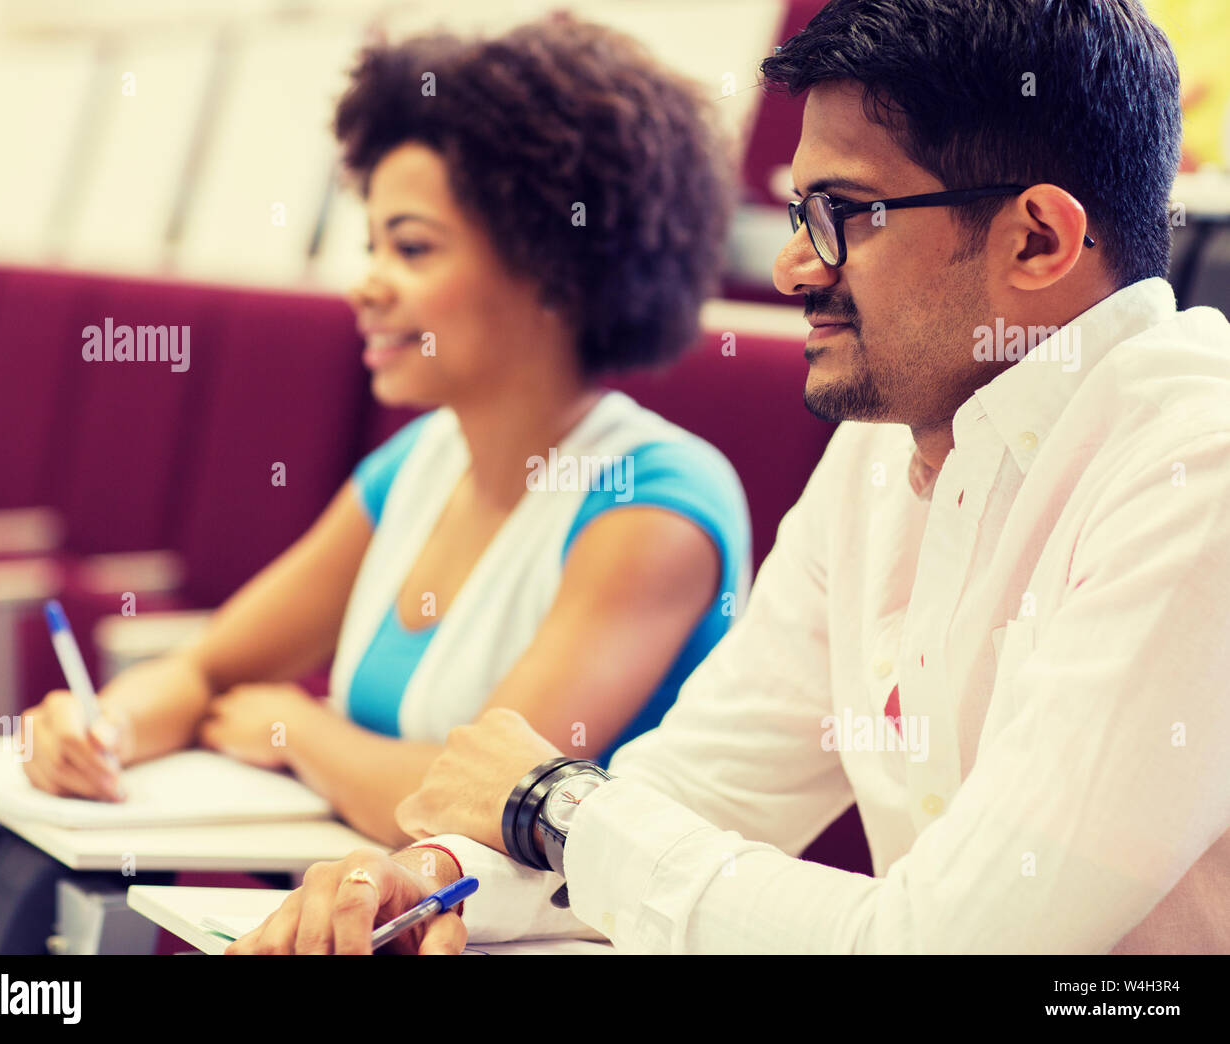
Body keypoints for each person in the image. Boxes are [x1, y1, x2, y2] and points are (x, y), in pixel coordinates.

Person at [231, 0, 1230, 954]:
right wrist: (436, 877)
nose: (796, 265)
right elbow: (698, 788)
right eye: (799, 211)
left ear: (1037, 240)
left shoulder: (1198, 469)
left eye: (841, 213)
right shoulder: (883, 447)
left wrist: (550, 804)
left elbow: (951, 943)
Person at [19, 15, 750, 849]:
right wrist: (97, 727)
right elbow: (205, 671)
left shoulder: (656, 508)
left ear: (554, 266)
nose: (367, 285)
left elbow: (484, 806)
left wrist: (302, 731)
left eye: (412, 248)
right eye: (372, 245)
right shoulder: (420, 462)